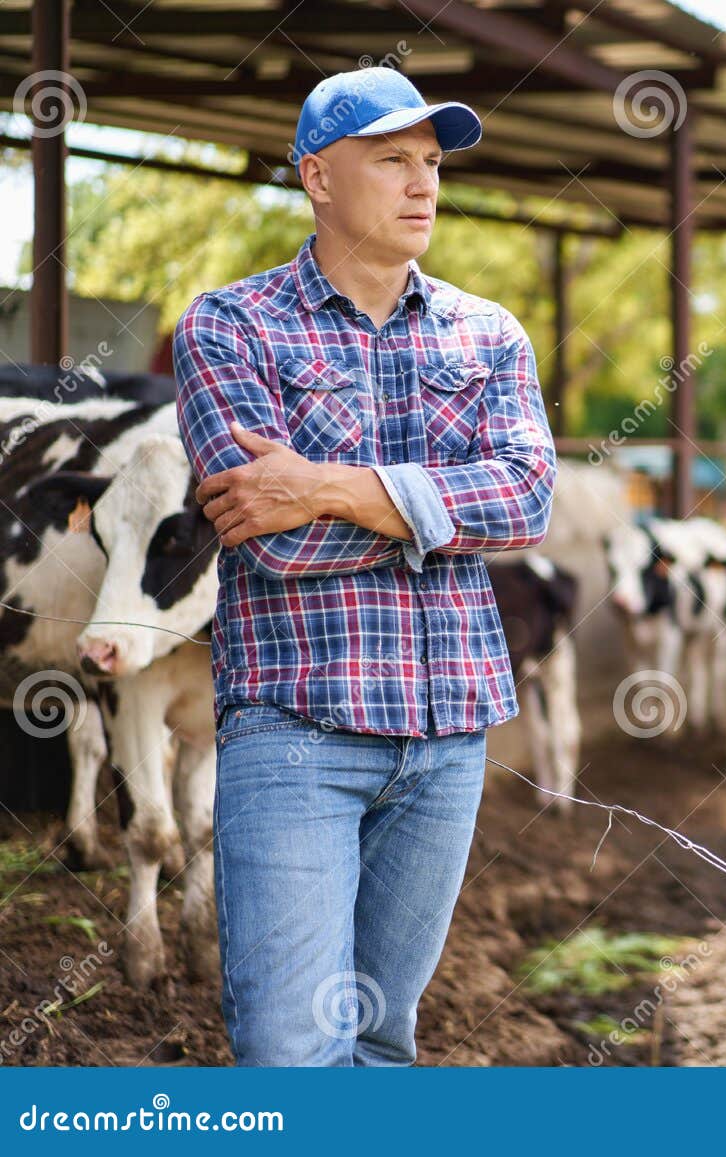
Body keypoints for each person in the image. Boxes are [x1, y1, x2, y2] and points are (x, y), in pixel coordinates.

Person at [171, 67, 557, 1066]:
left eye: (431, 162)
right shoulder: (231, 324)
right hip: (298, 729)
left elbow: (524, 499)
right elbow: (272, 532)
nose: (423, 182)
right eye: (392, 159)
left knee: (384, 1039)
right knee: (294, 1047)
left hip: (448, 738)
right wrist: (434, 509)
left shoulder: (489, 334)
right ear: (319, 177)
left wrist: (331, 486)